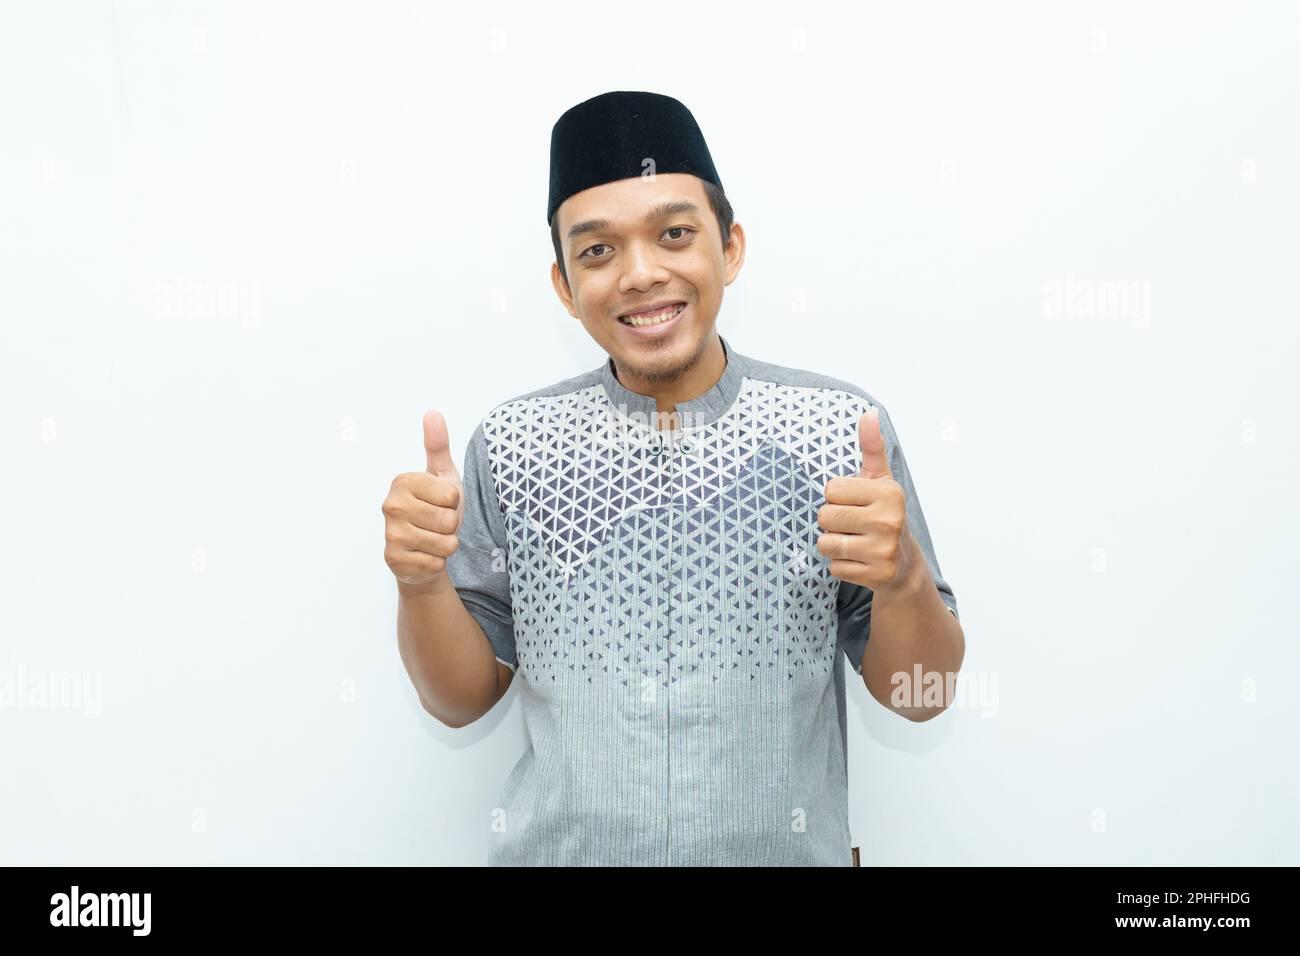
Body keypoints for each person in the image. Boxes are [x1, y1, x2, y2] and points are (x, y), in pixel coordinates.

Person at [382, 91, 964, 866]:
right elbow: (460, 702)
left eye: (675, 234)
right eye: (597, 251)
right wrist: (421, 585)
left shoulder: (837, 434)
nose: (640, 273)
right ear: (563, 285)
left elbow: (918, 697)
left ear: (730, 247)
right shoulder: (513, 445)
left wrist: (904, 582)